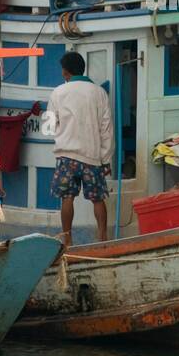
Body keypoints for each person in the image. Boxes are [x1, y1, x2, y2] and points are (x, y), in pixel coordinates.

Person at [47, 51, 114, 245]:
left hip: (66, 156)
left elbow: (48, 127)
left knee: (67, 198)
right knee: (98, 198)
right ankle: (103, 238)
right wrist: (105, 158)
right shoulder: (99, 93)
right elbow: (106, 129)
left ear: (65, 72)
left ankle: (67, 241)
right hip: (92, 157)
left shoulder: (58, 92)